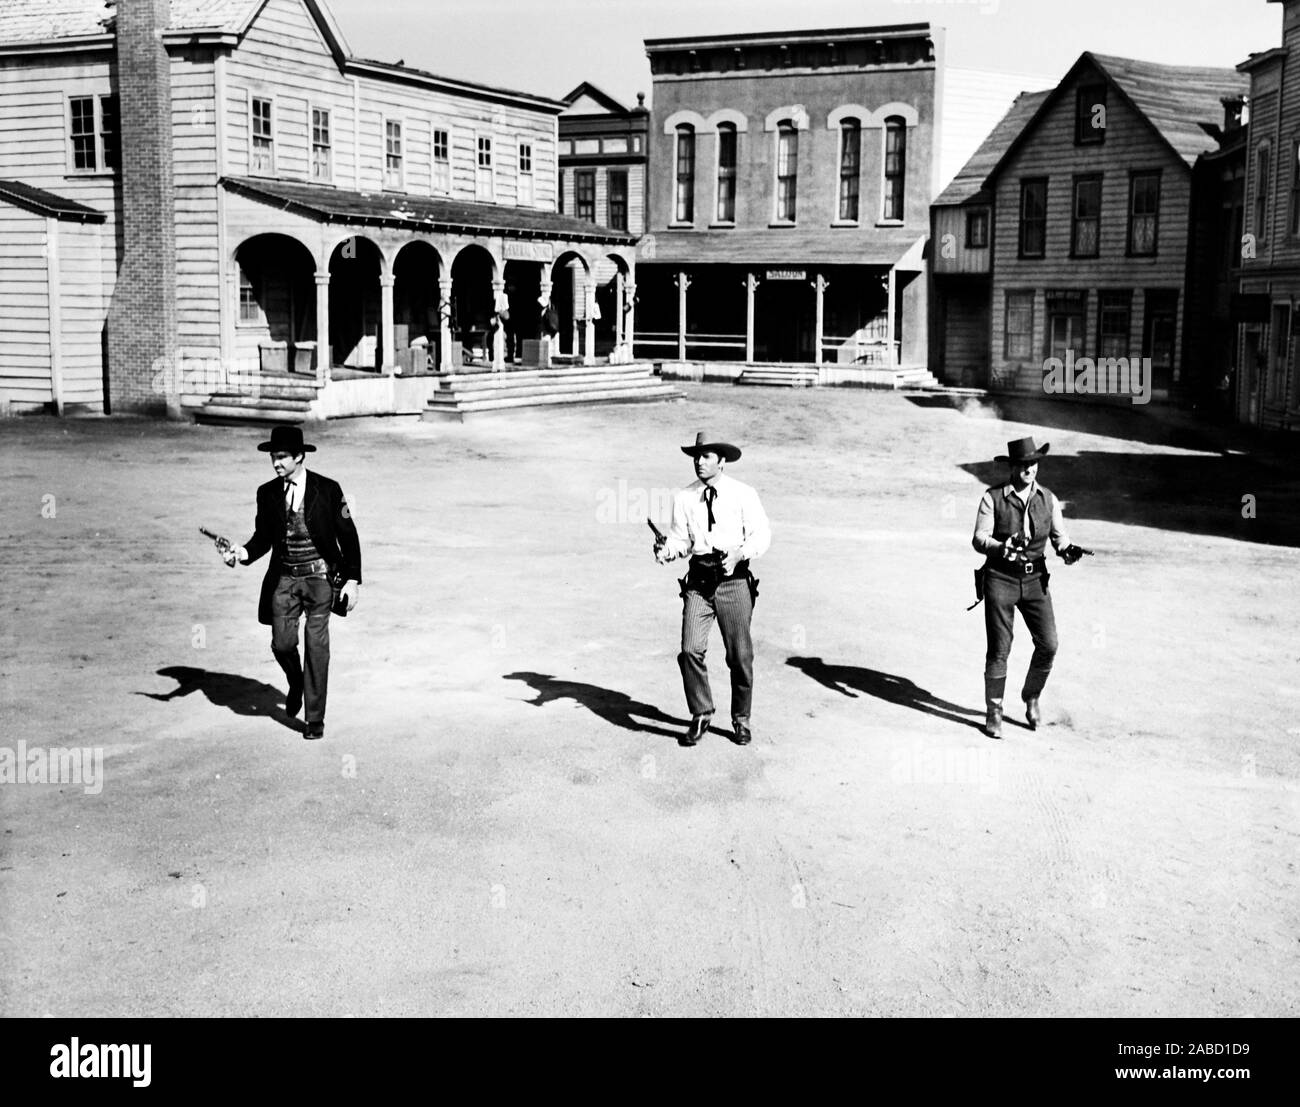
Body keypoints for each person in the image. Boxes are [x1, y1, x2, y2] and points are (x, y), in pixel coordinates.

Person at [223, 425, 361, 740]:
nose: (276, 463)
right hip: (284, 578)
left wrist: (352, 579)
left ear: (300, 456)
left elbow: (348, 535)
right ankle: (295, 680)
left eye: (282, 457)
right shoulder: (267, 493)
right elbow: (262, 538)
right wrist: (241, 552)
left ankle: (314, 720)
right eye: (273, 457)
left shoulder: (329, 490)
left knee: (316, 646)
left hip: (321, 580)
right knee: (282, 643)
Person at [654, 431, 771, 747]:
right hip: (698, 584)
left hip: (733, 583)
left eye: (706, 456)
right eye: (696, 456)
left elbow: (762, 535)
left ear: (722, 461)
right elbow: (681, 540)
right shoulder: (685, 497)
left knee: (740, 657)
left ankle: (741, 719)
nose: (699, 462)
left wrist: (739, 553)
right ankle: (701, 713)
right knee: (689, 649)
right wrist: (667, 550)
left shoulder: (743, 494)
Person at [971, 437, 1088, 739]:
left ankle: (1031, 696)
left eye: (1033, 464)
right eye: (1023, 464)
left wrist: (1067, 550)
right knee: (999, 649)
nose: (1029, 469)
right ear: (1012, 466)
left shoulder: (1048, 498)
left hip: (1035, 581)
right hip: (1001, 579)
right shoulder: (992, 497)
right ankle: (994, 711)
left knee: (1049, 644)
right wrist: (1001, 547)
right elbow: (979, 539)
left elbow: (1059, 539)